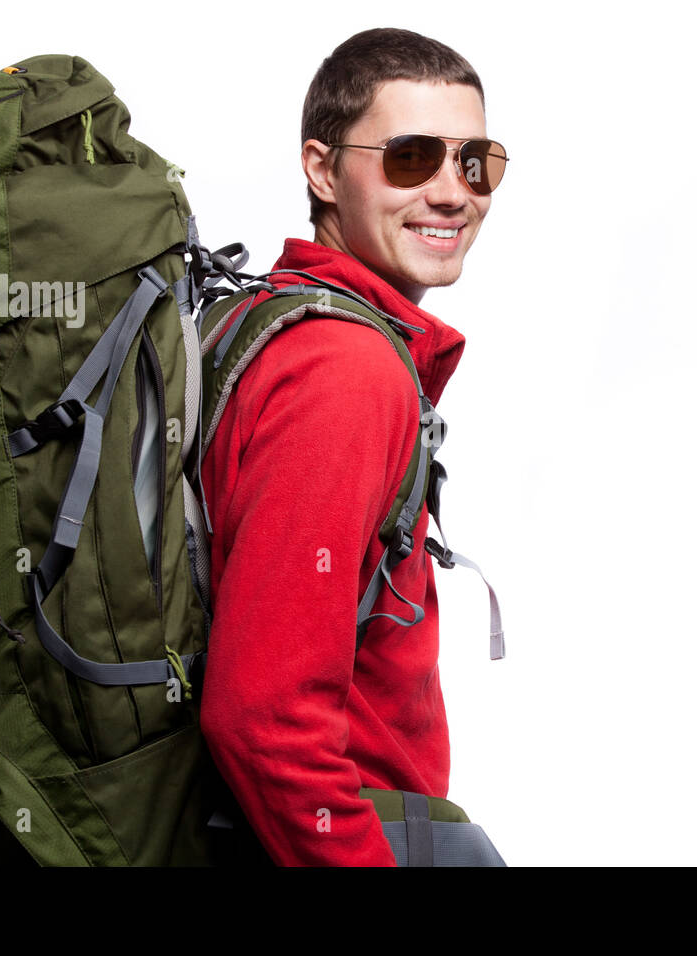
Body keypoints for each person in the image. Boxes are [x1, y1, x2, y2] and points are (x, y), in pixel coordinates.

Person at [198, 27, 508, 866]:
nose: (453, 193)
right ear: (322, 169)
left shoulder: (263, 324)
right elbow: (262, 715)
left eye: (475, 163)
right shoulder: (343, 369)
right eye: (411, 158)